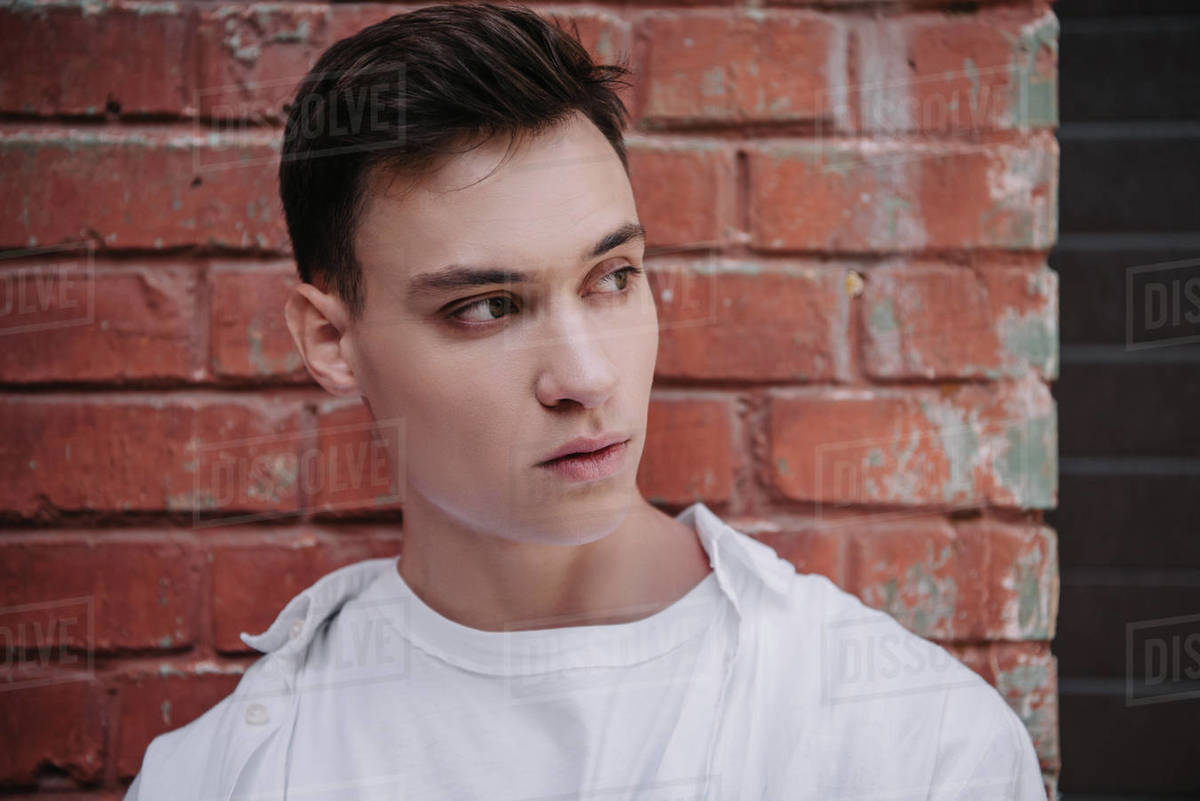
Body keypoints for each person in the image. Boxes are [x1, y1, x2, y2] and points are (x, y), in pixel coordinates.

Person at [124, 3, 1046, 799]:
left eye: (613, 278)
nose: (587, 376)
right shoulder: (229, 774)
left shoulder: (907, 744)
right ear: (331, 340)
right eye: (486, 306)